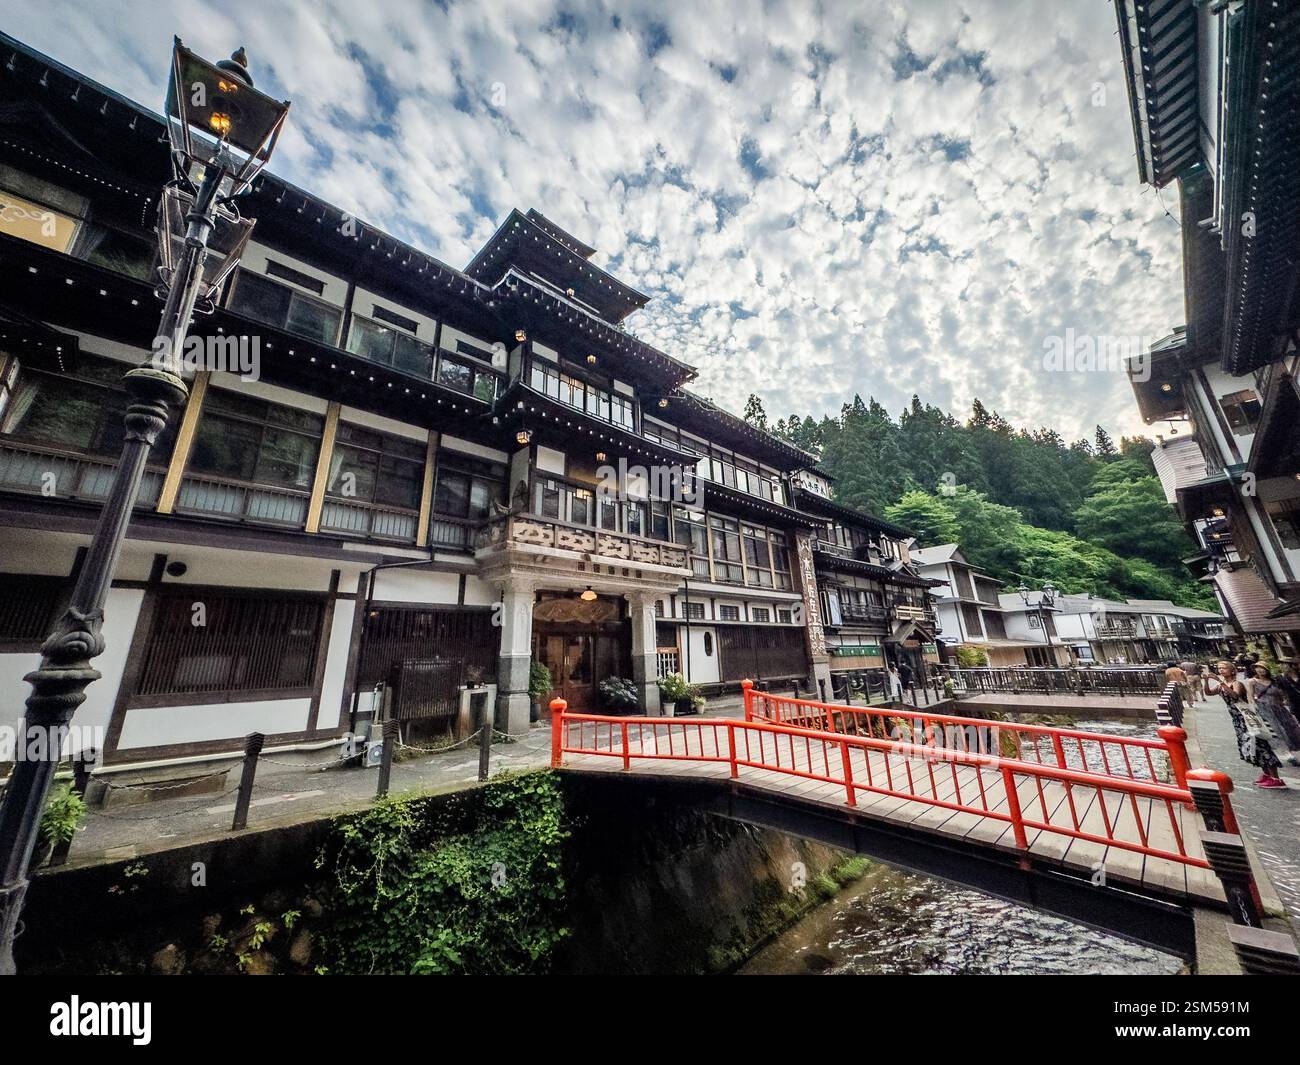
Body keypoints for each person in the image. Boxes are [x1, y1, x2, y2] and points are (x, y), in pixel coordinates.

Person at [1207, 660, 1287, 788]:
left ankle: (1275, 778)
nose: (1221, 670)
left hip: (1246, 717)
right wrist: (1206, 680)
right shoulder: (1223, 685)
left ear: (1232, 670)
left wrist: (1219, 681)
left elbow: (1234, 695)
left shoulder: (1236, 683)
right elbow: (1209, 693)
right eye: (1219, 668)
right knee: (1252, 747)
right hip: (1237, 719)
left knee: (1261, 745)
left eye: (1224, 668)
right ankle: (1266, 774)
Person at [1246, 664, 1300, 761]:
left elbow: (1282, 694)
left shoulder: (1274, 681)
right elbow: (1250, 697)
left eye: (1263, 668)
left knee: (1290, 728)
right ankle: (1286, 754)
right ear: (1255, 670)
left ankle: (1293, 749)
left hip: (1279, 708)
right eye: (1258, 668)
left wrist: (1284, 700)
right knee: (1276, 730)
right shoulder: (1252, 681)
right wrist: (1252, 710)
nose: (1261, 670)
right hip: (1264, 709)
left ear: (1267, 670)